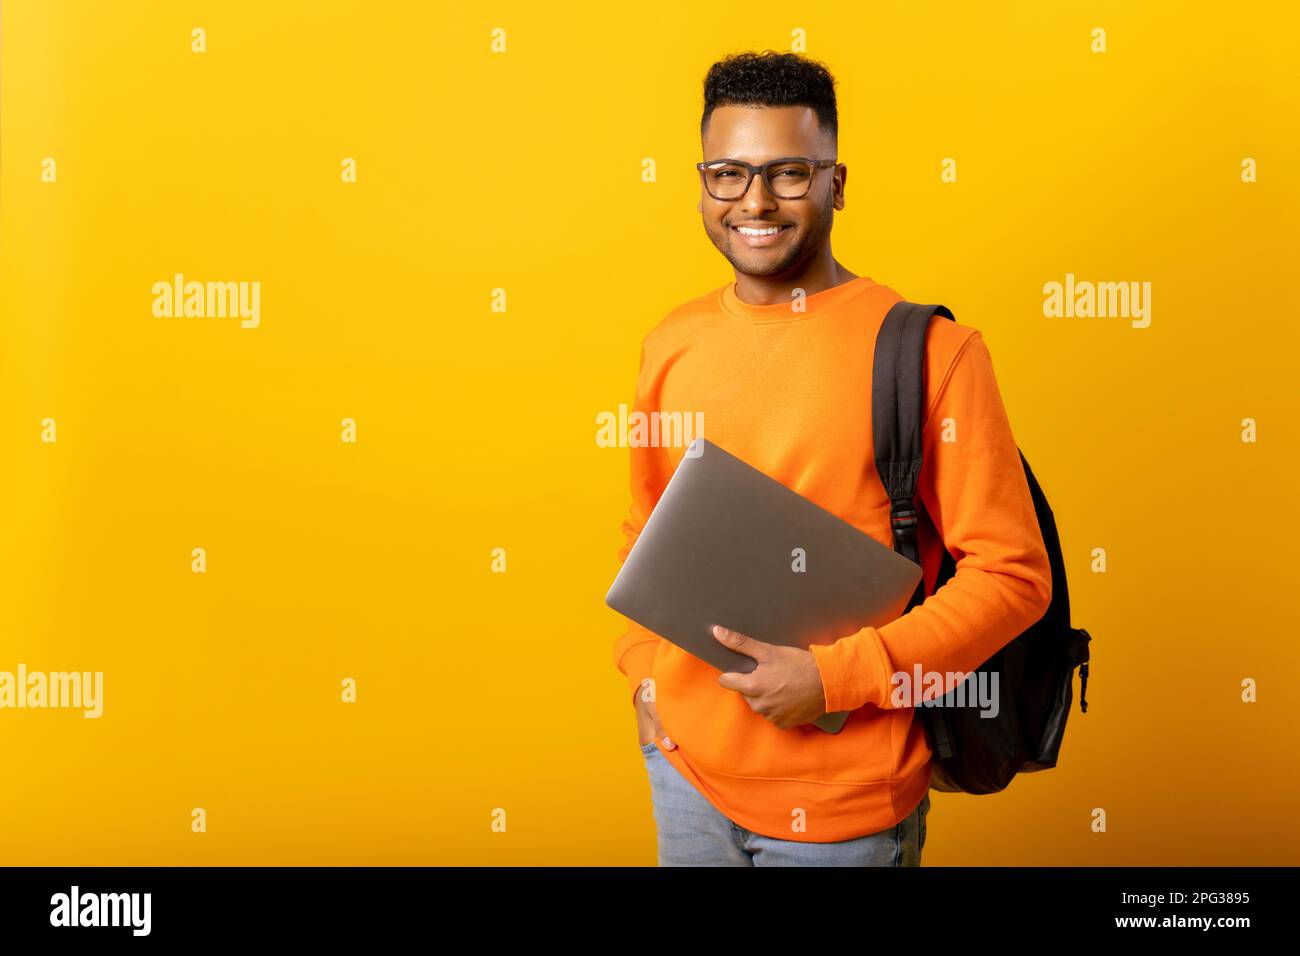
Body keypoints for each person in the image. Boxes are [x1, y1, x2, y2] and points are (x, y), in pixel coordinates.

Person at [612, 50, 1053, 866]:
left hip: (847, 805)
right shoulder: (669, 344)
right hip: (684, 775)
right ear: (702, 181)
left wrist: (836, 679)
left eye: (788, 173)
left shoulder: (935, 353)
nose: (755, 201)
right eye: (728, 174)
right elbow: (646, 534)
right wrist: (644, 680)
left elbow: (1013, 577)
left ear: (836, 183)